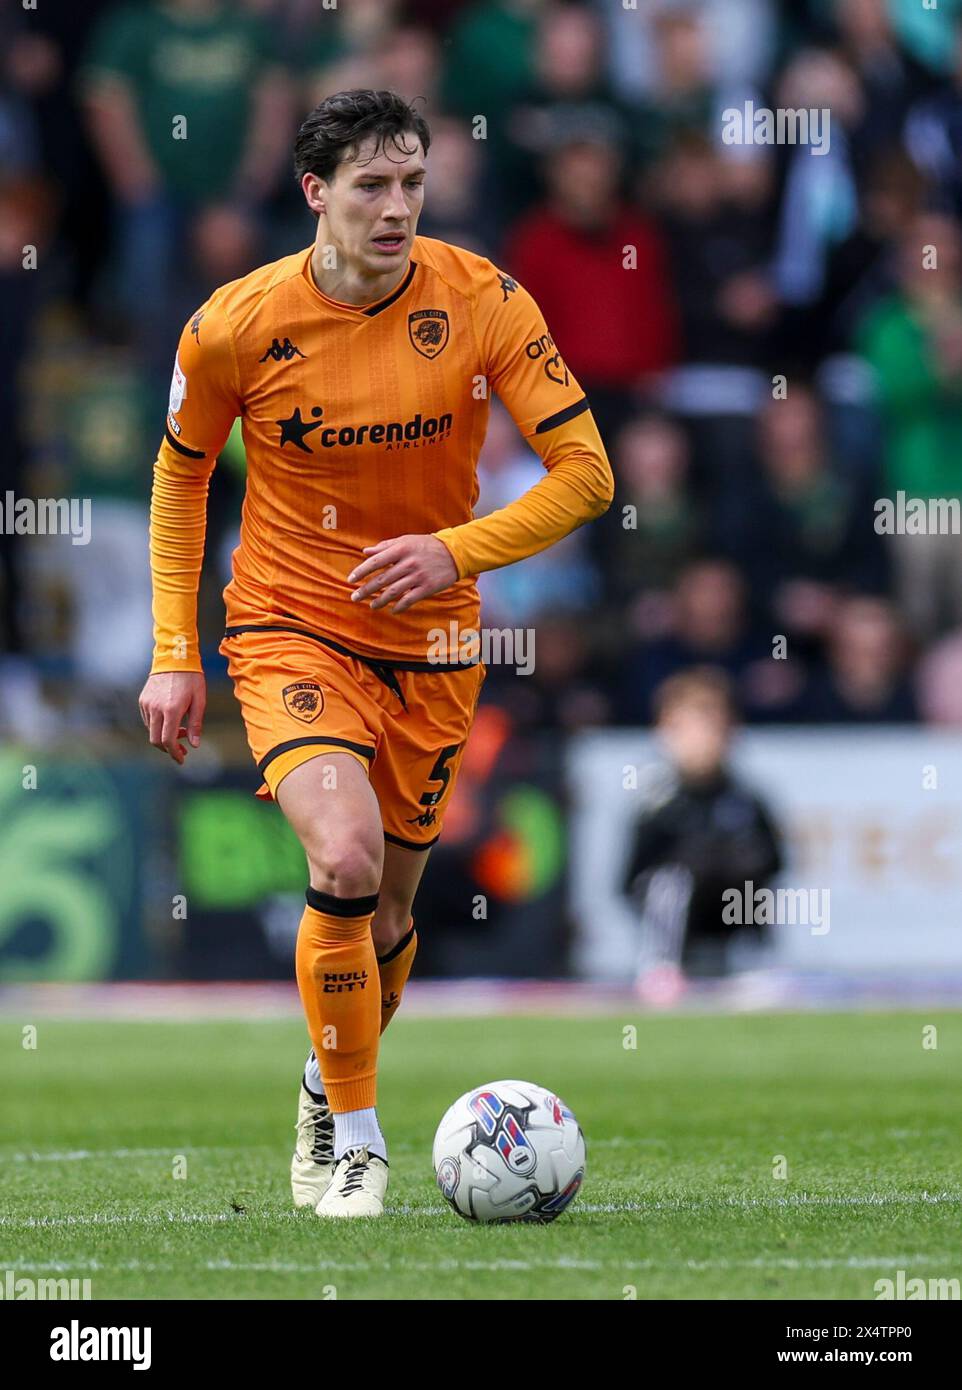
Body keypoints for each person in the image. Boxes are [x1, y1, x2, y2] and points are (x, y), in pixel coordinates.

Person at [138, 89, 613, 1218]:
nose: (397, 208)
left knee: (390, 918)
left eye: (411, 183)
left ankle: (324, 1071)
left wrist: (452, 552)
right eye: (371, 186)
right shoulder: (234, 325)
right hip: (289, 625)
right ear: (315, 194)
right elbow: (180, 472)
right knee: (342, 859)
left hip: (435, 644)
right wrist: (174, 647)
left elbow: (587, 474)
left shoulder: (483, 297)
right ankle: (356, 1138)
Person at [621, 668, 783, 1000]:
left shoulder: (745, 799)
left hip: (729, 916)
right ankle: (662, 966)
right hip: (676, 915)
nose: (703, 740)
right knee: (670, 880)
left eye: (713, 728)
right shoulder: (656, 801)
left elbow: (775, 862)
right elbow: (629, 878)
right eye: (691, 729)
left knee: (750, 873)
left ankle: (753, 961)